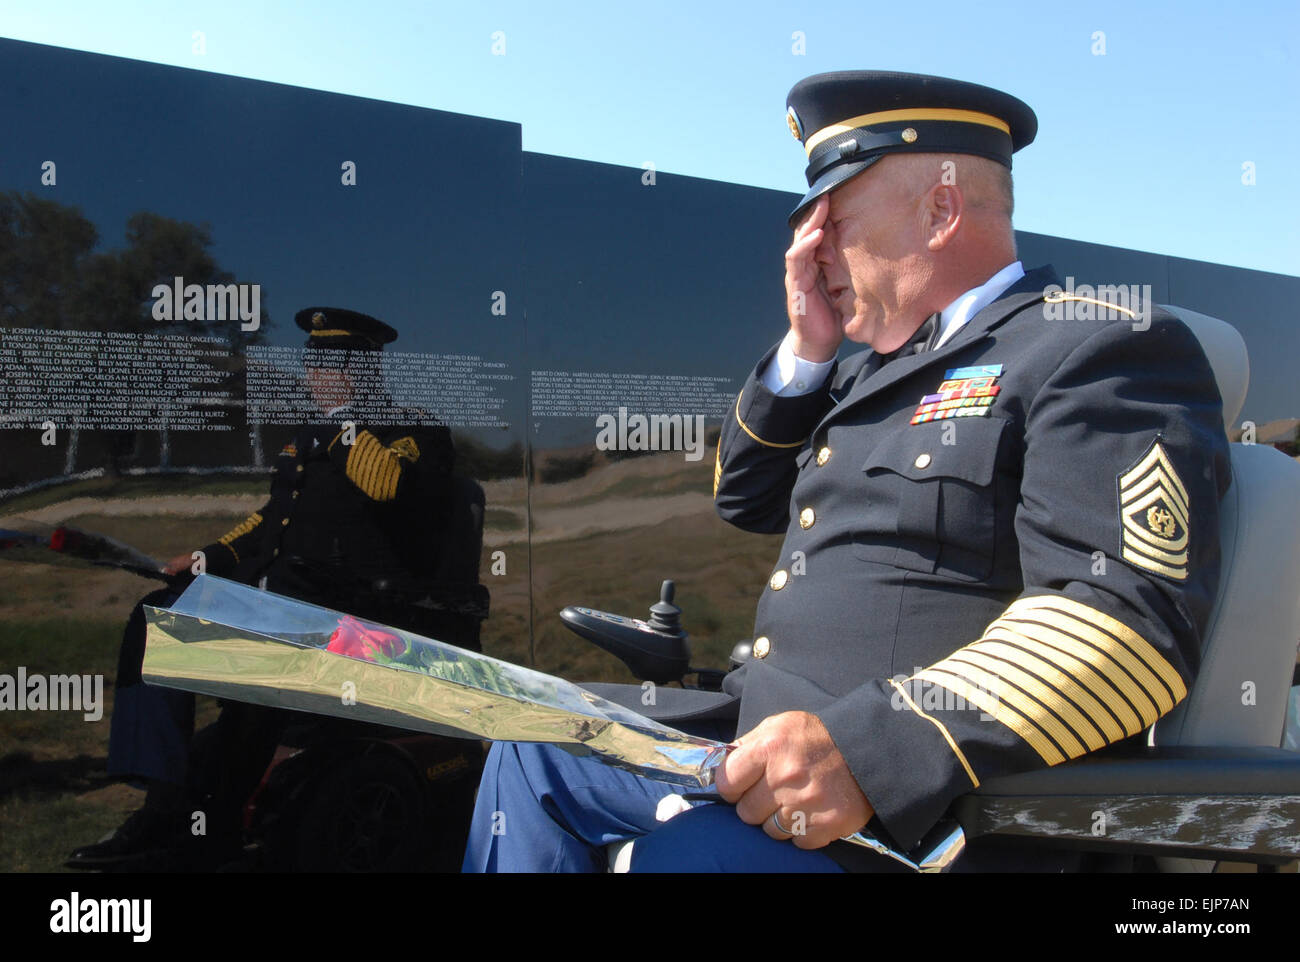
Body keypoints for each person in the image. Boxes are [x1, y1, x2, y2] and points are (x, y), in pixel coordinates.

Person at [461, 70, 1230, 872]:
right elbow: (745, 496)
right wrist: (808, 352)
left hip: (913, 816)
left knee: (688, 858)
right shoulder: (870, 371)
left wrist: (868, 749)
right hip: (756, 743)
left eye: (834, 224)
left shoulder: (1094, 346)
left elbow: (1121, 623)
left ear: (940, 210)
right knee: (533, 741)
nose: (807, 252)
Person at [68, 307, 480, 869]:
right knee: (157, 612)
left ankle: (191, 825)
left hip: (351, 611)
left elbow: (387, 486)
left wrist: (343, 420)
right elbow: (271, 520)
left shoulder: (413, 429)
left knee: (253, 692)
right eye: (313, 362)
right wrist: (208, 557)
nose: (316, 374)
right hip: (280, 600)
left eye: (331, 363)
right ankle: (163, 797)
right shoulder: (307, 437)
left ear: (363, 368)